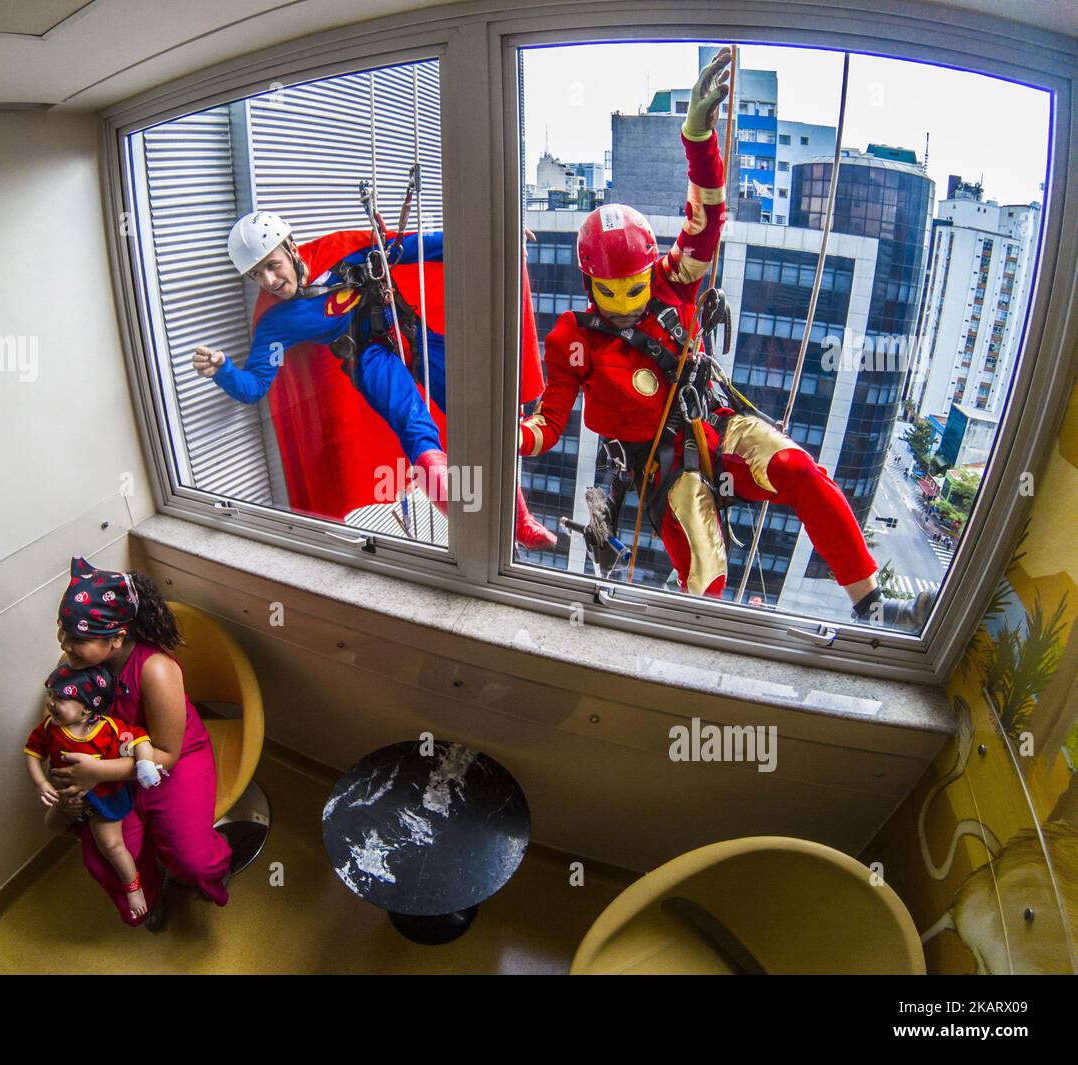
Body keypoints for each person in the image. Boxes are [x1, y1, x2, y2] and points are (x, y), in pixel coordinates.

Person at [516, 47, 931, 631]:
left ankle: (873, 605)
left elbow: (706, 216)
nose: (629, 302)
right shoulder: (572, 340)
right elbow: (550, 422)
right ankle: (694, 655)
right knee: (707, 572)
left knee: (801, 472)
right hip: (660, 465)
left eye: (634, 285)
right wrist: (512, 438)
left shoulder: (673, 279)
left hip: (714, 420)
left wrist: (698, 136)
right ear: (590, 283)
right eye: (612, 291)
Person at [192, 211, 556, 549]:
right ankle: (464, 510)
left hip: (411, 333)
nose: (269, 281)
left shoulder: (340, 250)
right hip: (368, 355)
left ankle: (520, 520)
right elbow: (254, 386)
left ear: (291, 248)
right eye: (257, 274)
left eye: (272, 266)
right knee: (411, 421)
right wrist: (223, 369)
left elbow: (414, 248)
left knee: (476, 411)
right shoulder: (277, 323)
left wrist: (491, 238)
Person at [50, 556, 233, 929]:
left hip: (169, 761)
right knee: (107, 859)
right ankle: (147, 898)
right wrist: (66, 781)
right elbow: (67, 728)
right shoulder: (77, 670)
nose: (65, 644)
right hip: (112, 766)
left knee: (190, 859)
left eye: (78, 638)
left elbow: (166, 754)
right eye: (62, 631)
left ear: (117, 638)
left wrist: (96, 773)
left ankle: (213, 869)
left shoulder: (157, 671)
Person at [25, 664, 164, 920]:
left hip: (104, 800)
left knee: (111, 846)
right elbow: (33, 753)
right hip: (70, 798)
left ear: (87, 708)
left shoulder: (108, 729)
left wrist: (144, 764)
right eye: (51, 695)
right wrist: (41, 783)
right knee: (52, 824)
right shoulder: (49, 728)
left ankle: (133, 886)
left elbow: (140, 738)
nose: (51, 703)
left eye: (61, 698)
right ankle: (83, 830)